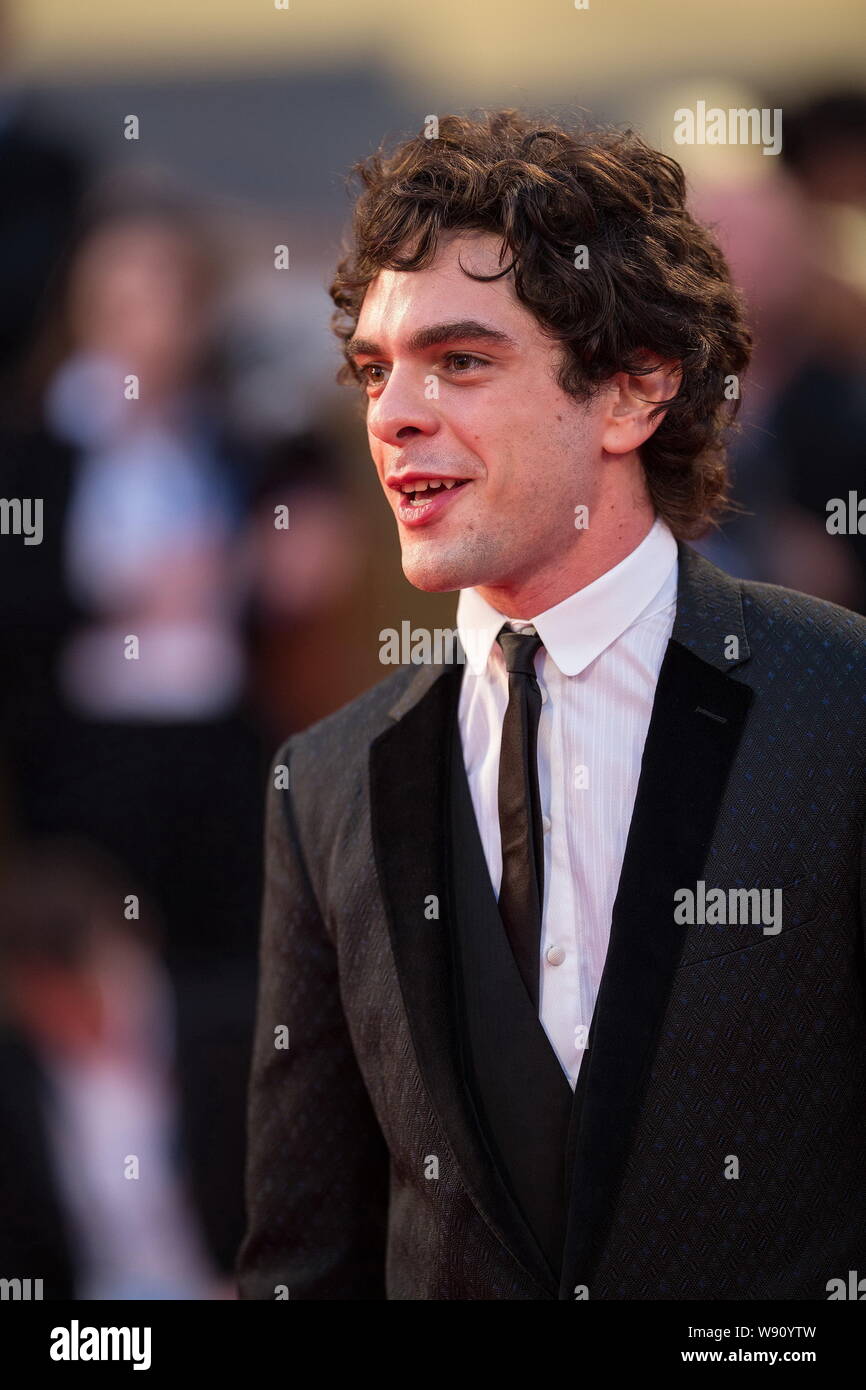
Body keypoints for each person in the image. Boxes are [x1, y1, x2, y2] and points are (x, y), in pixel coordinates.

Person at [237, 110, 866, 1300]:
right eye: (377, 369)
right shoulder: (323, 784)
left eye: (459, 361)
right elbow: (304, 1261)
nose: (392, 414)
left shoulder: (842, 708)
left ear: (631, 392)